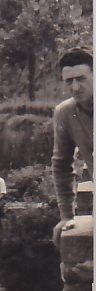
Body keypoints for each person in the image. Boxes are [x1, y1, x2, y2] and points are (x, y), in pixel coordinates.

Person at [52, 46, 94, 241]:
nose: (75, 87)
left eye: (81, 79)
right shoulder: (65, 113)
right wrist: (66, 216)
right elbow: (61, 165)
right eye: (69, 81)